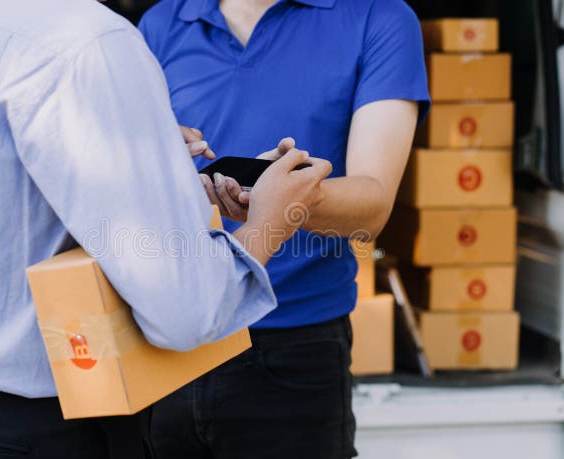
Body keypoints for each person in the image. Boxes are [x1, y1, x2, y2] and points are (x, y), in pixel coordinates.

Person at [0, 0, 332, 457]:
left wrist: (143, 182)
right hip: (64, 430)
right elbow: (187, 314)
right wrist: (272, 221)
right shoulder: (92, 41)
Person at [138, 0, 430, 457]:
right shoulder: (162, 22)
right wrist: (156, 159)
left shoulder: (379, 17)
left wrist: (283, 201)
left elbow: (373, 205)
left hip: (295, 351)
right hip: (169, 337)